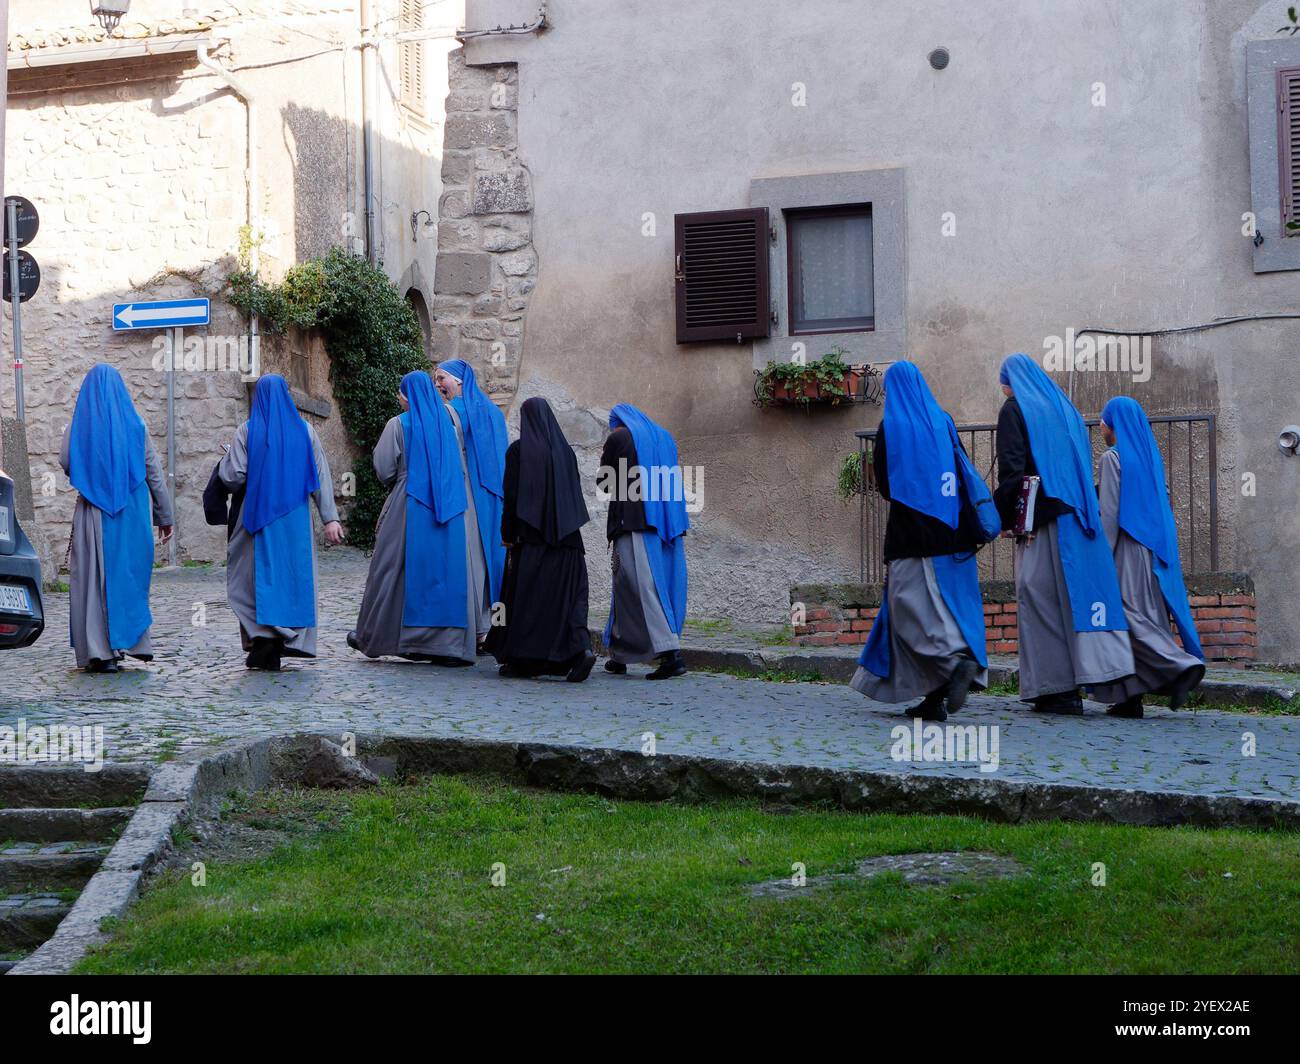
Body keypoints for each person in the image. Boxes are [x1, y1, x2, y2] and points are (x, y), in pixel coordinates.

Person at [852, 362, 993, 720]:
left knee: (908, 614)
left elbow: (885, 486)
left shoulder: (891, 427)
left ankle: (952, 662)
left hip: (913, 538)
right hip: (954, 534)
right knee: (946, 609)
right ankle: (934, 700)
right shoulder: (942, 420)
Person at [994, 353, 1134, 714]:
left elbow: (1012, 471)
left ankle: (1056, 690)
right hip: (1079, 517)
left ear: (1011, 382)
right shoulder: (1066, 410)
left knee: (1038, 598)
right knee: (1076, 604)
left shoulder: (1015, 409)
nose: (1003, 388)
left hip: (1043, 520)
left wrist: (1003, 517)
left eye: (1003, 382)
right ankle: (1106, 681)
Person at [347, 371, 480, 665]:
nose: (398, 398)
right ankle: (446, 644)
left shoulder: (398, 424)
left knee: (391, 568)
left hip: (410, 500)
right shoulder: (450, 424)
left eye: (400, 393)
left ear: (407, 395)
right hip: (451, 504)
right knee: (447, 570)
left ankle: (378, 635)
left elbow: (384, 469)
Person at [1088, 397, 1205, 718]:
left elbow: (1110, 513)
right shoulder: (1150, 459)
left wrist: (1101, 557)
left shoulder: (1112, 459)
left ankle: (1181, 665)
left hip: (1126, 549)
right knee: (1148, 617)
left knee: (1125, 615)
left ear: (1114, 424)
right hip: (1152, 553)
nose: (1100, 426)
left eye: (1104, 419)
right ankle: (1130, 698)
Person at [217, 374, 342, 671]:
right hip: (295, 518)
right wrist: (330, 518)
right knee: (293, 576)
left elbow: (233, 476)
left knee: (250, 579)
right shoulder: (306, 431)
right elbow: (320, 478)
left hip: (257, 516)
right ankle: (287, 638)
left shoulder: (247, 431)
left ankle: (264, 639)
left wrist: (225, 459)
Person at [61, 364, 173, 672]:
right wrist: (165, 514)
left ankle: (100, 652)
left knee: (93, 580)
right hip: (132, 512)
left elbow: (66, 462)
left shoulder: (78, 427)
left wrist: (91, 473)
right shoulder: (136, 425)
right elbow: (153, 472)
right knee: (129, 576)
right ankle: (133, 642)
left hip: (92, 511)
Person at [485, 397, 596, 681]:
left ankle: (525, 660)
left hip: (531, 542)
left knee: (529, 604)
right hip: (569, 542)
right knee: (567, 602)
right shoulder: (566, 453)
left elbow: (511, 498)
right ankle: (579, 651)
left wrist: (507, 535)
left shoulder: (519, 452)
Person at [598, 403, 688, 679]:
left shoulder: (620, 437)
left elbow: (605, 482)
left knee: (641, 586)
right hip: (665, 522)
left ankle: (670, 653)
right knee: (629, 587)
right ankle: (620, 653)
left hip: (634, 520)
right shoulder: (664, 436)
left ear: (618, 422)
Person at [433, 359, 507, 652]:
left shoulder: (454, 410)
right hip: (494, 494)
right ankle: (492, 629)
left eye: (442, 379)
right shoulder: (492, 411)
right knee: (492, 560)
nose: (438, 385)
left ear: (460, 380)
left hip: (472, 493)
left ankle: (476, 628)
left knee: (474, 557)